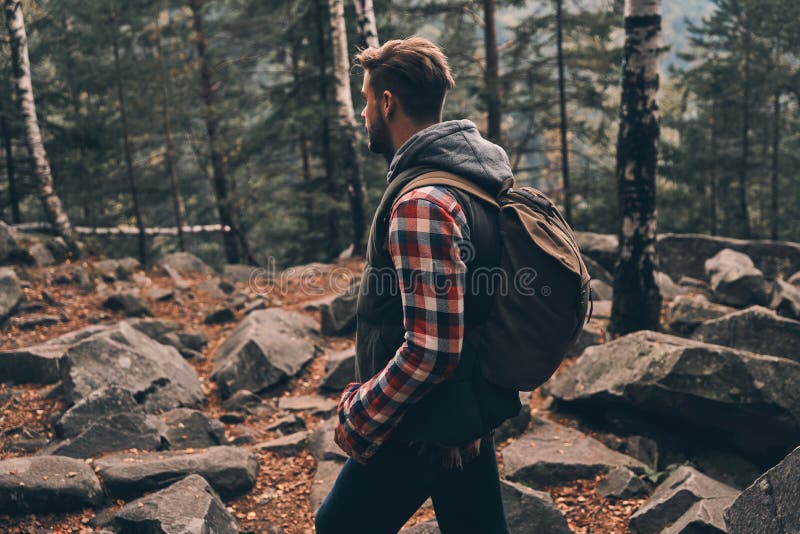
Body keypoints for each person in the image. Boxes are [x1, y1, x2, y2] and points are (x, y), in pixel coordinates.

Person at [314, 36, 522, 534]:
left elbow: (432, 349)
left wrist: (360, 415)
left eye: (366, 100)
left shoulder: (421, 203)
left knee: (338, 527)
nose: (364, 113)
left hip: (423, 423)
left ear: (388, 102)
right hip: (461, 415)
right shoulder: (470, 177)